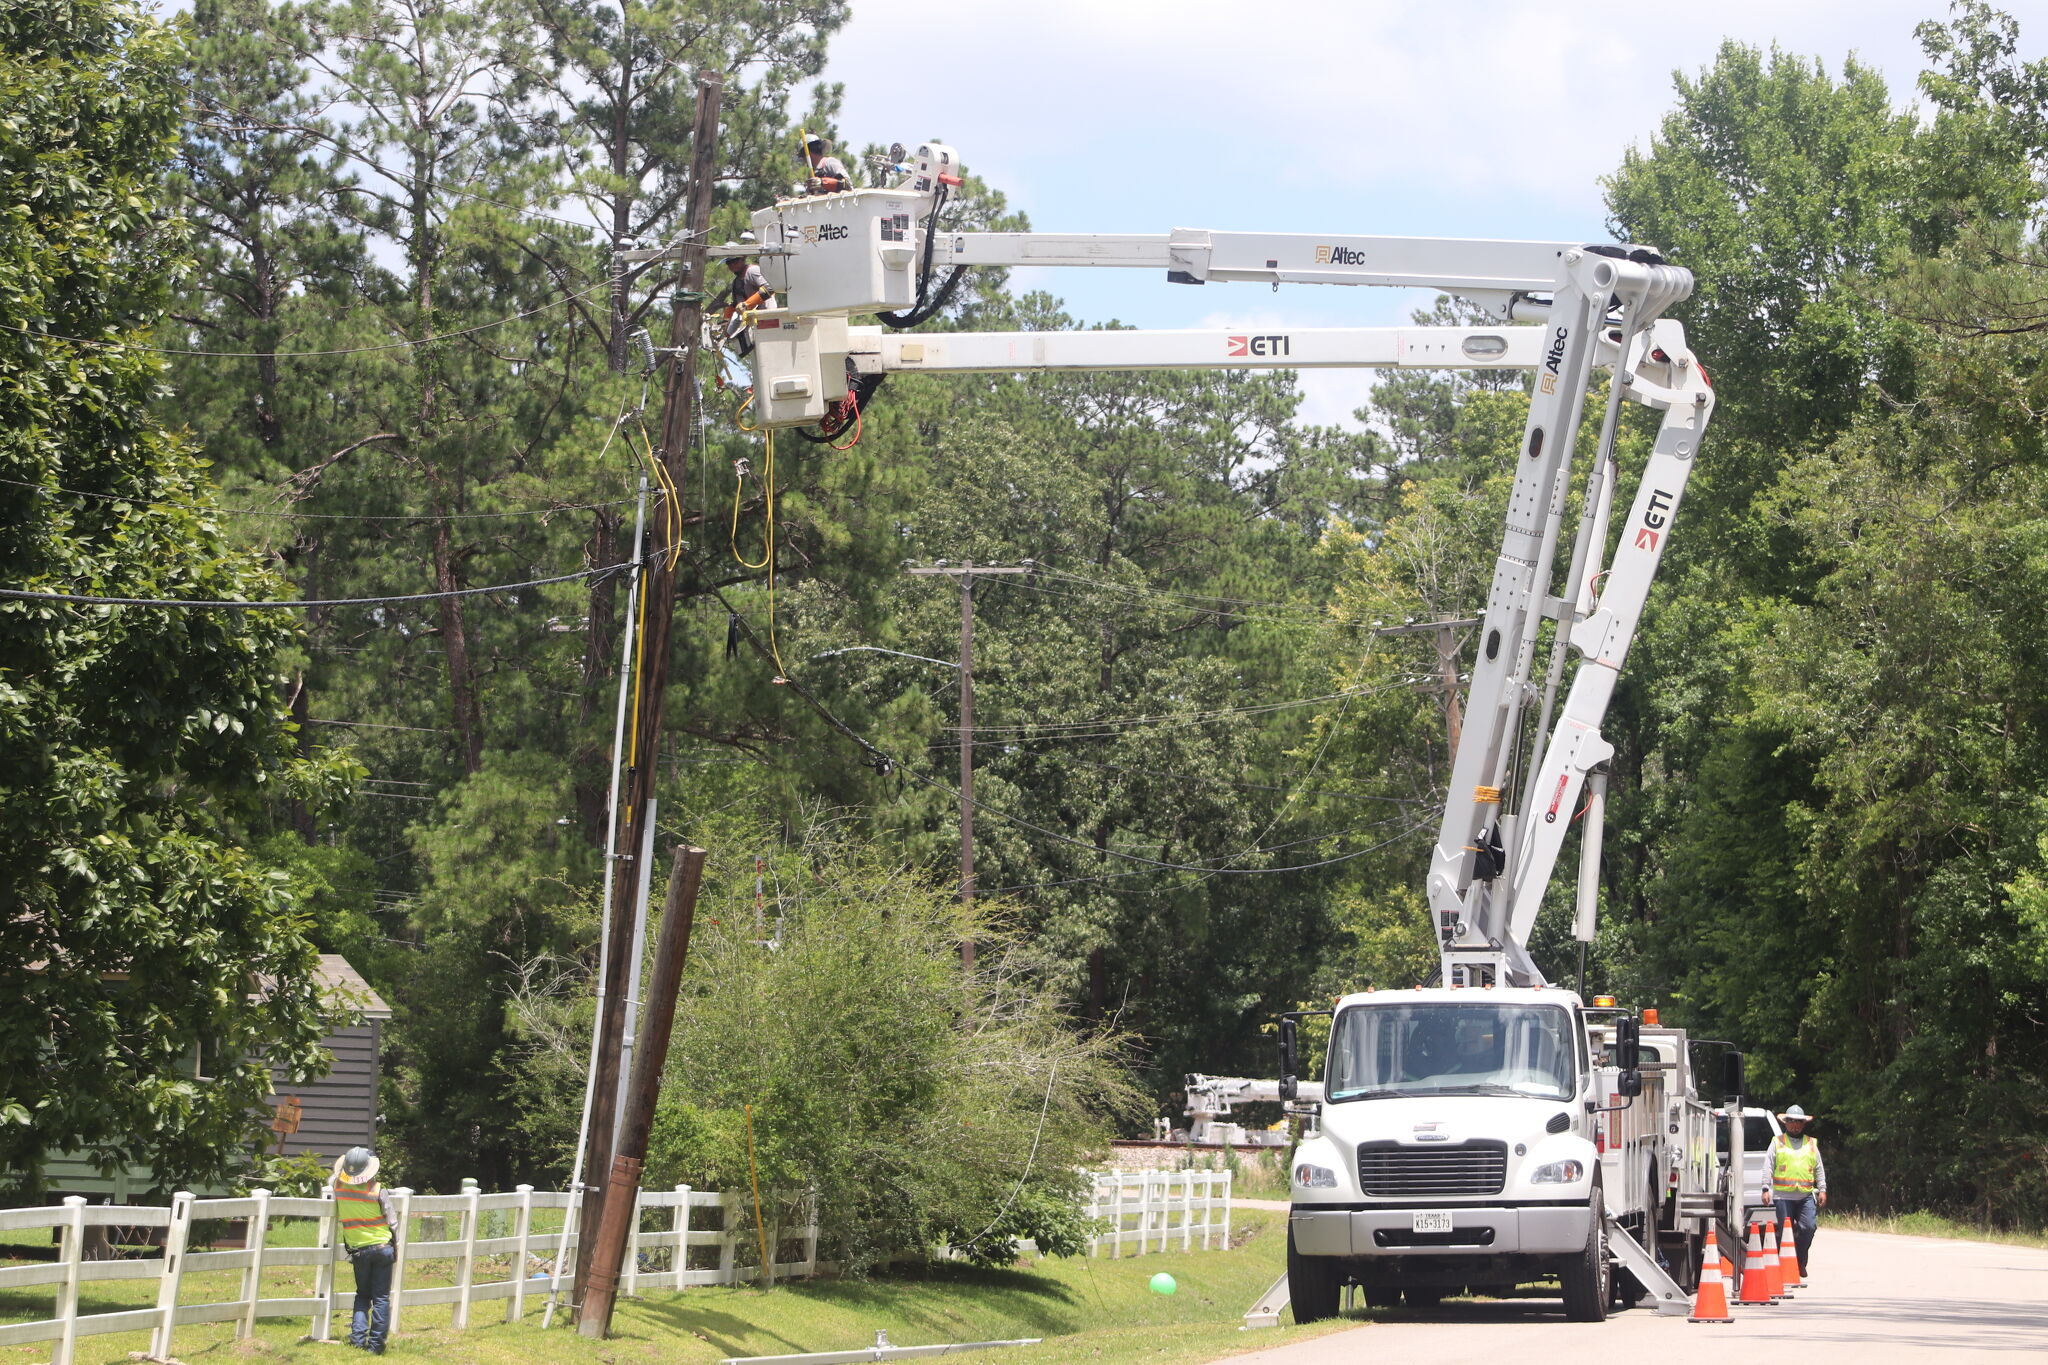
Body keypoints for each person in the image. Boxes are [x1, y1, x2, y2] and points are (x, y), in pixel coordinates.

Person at [332, 1146, 398, 1353]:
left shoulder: (338, 1187)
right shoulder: (378, 1190)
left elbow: (333, 1178)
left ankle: (357, 1340)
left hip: (359, 1250)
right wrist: (396, 1247)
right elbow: (393, 1222)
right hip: (382, 1247)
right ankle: (376, 1345)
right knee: (381, 1298)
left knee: (362, 1295)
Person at [1768, 1104, 1827, 1277]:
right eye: (1791, 1121)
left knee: (1808, 1228)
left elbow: (1819, 1168)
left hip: (1805, 1195)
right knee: (1786, 1232)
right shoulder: (1777, 1142)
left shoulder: (1811, 1143)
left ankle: (1800, 1260)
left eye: (1798, 1122)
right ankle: (1786, 1267)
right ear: (1786, 1123)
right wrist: (1765, 1188)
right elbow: (1768, 1166)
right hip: (1783, 1196)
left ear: (1803, 1124)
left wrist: (1822, 1189)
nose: (1795, 1125)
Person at [720, 256, 774, 356]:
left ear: (742, 259)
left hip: (768, 317)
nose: (732, 265)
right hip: (754, 322)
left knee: (768, 352)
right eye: (729, 263)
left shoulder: (752, 271)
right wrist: (725, 323)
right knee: (757, 354)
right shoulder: (736, 282)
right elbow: (736, 305)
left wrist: (747, 304)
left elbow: (769, 289)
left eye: (734, 261)